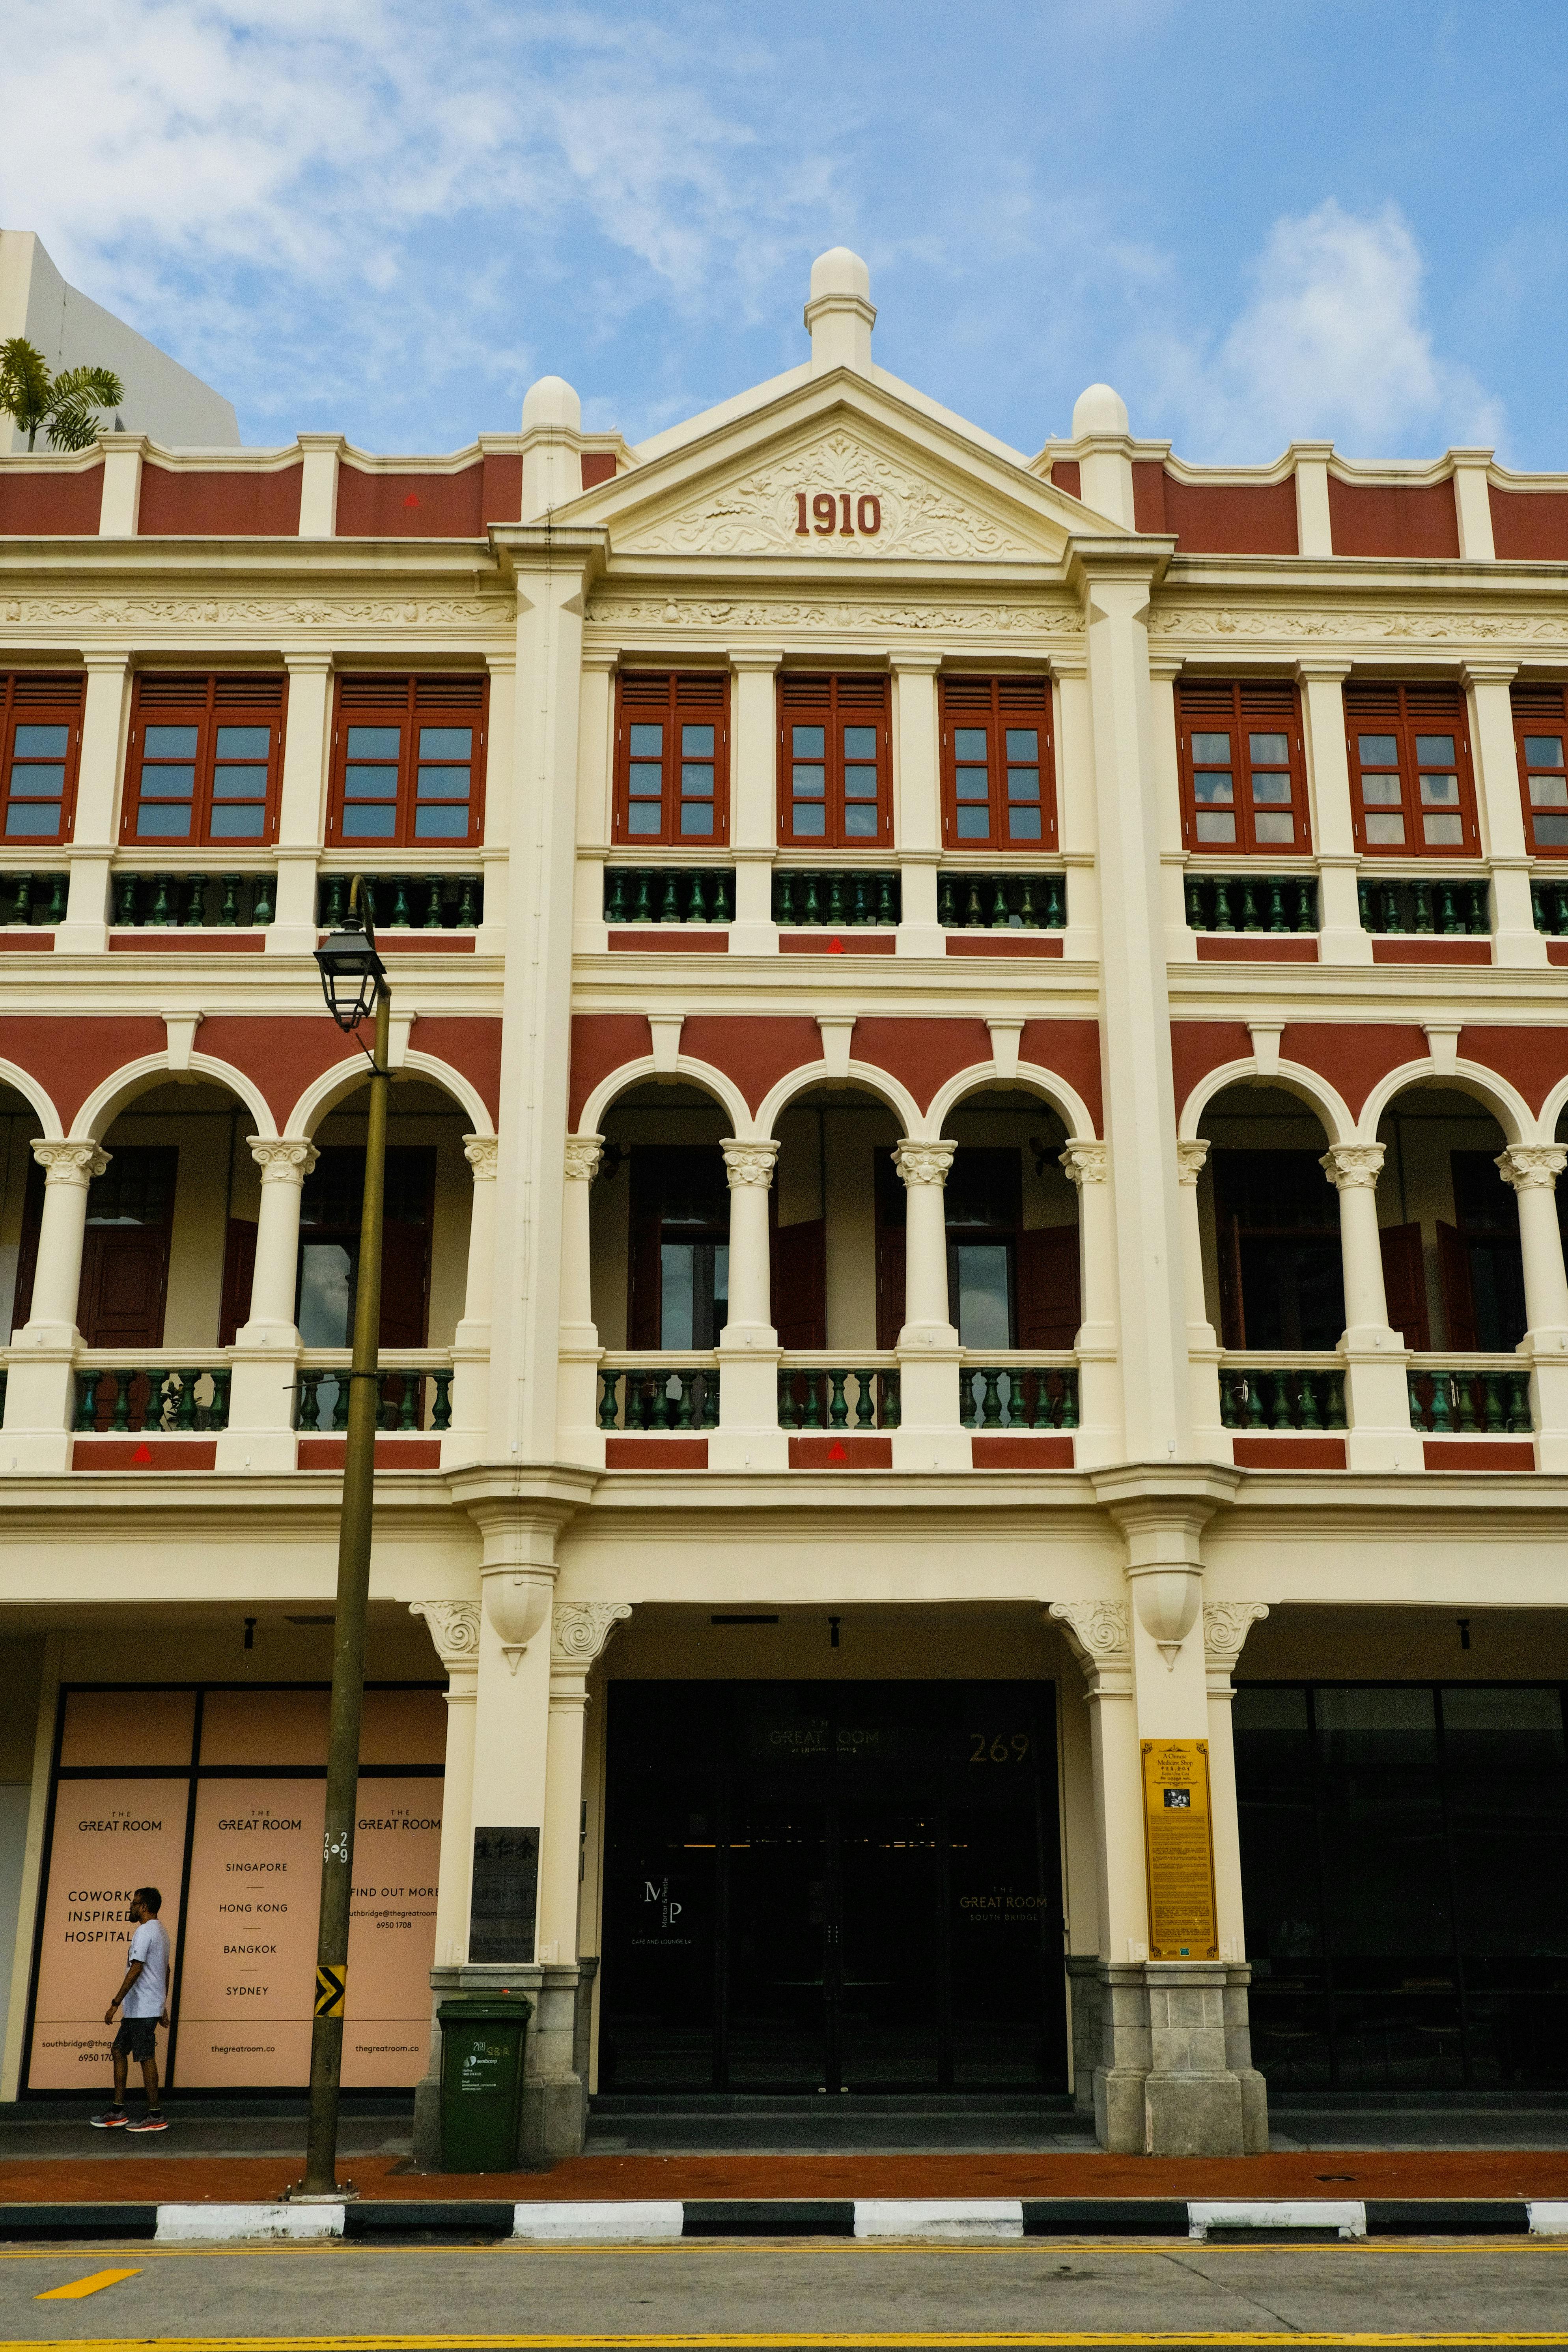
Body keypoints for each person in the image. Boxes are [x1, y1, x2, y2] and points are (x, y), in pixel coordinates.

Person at [91, 1887, 170, 2132]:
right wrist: (163, 2004)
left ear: (144, 1907)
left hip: (143, 2008)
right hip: (142, 2008)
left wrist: (115, 2003)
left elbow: (136, 1969)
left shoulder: (145, 1931)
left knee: (146, 2058)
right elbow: (166, 1971)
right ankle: (117, 2111)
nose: (131, 1907)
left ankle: (155, 2116)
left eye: (135, 1903)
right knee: (118, 2051)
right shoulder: (162, 1932)